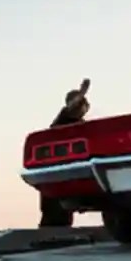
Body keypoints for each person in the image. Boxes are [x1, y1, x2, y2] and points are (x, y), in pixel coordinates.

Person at [38, 79, 91, 228]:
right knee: (52, 213)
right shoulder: (64, 118)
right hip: (54, 174)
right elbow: (71, 107)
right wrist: (82, 92)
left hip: (65, 175)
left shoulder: (81, 124)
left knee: (65, 215)